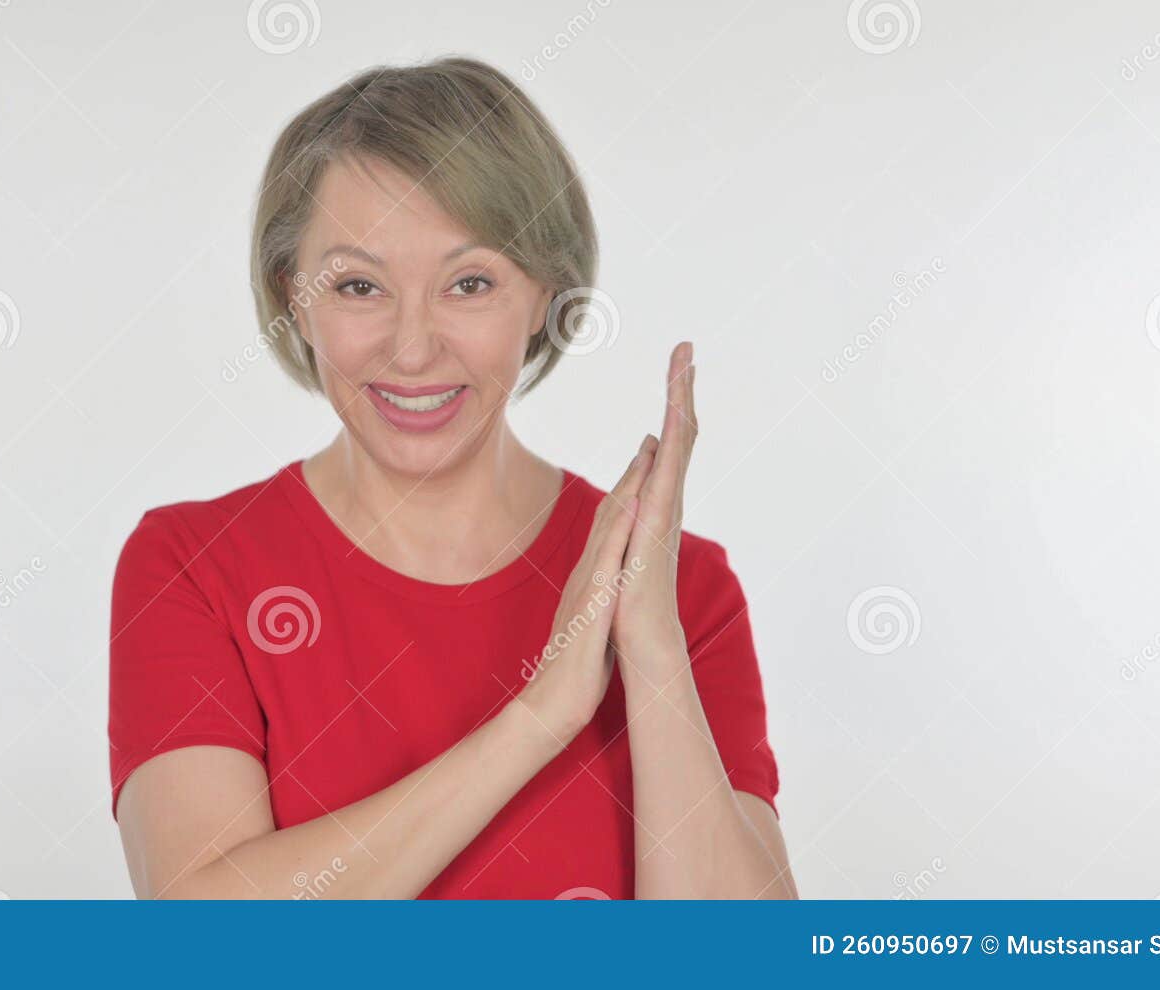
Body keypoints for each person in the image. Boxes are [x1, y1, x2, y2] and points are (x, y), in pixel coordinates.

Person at [108, 56, 795, 899]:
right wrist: (539, 718)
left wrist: (651, 650)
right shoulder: (194, 566)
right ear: (295, 298)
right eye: (358, 285)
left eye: (470, 283)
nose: (412, 350)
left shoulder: (683, 591)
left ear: (545, 295)